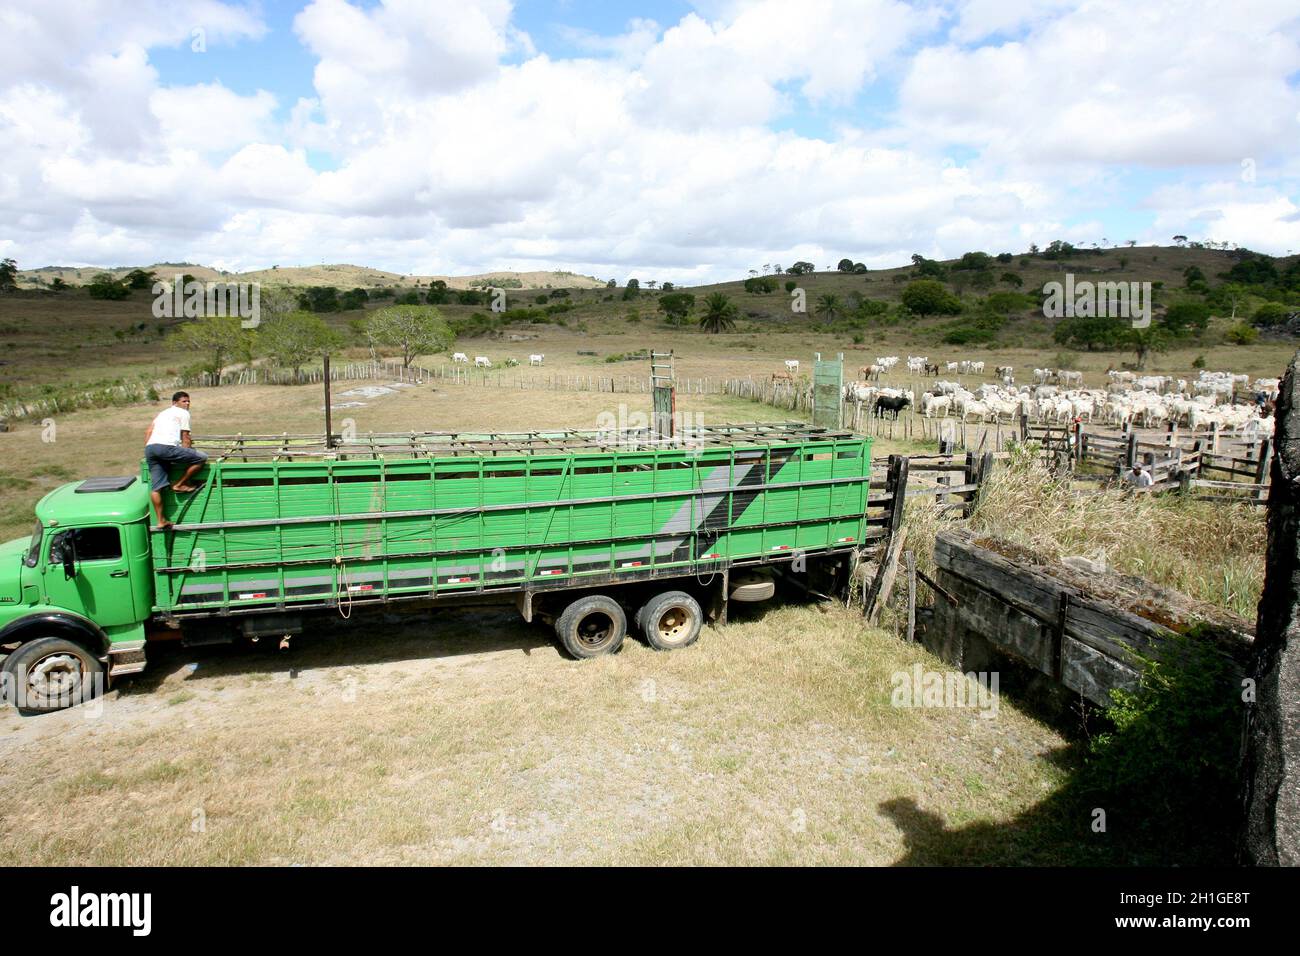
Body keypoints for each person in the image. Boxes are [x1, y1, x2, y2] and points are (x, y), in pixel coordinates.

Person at [144, 391, 208, 528]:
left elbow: (148, 431)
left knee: (156, 488)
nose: (187, 404)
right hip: (166, 448)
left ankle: (161, 521)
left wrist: (149, 450)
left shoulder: (162, 414)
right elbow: (185, 436)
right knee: (202, 458)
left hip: (150, 449)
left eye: (188, 401)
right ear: (175, 403)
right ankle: (180, 484)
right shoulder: (183, 413)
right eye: (184, 401)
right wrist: (188, 451)